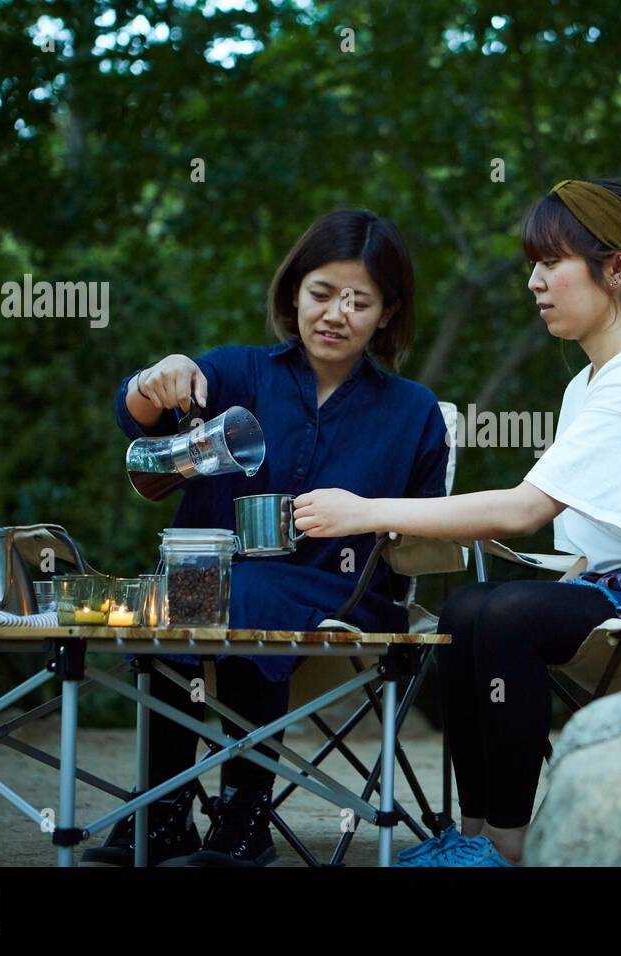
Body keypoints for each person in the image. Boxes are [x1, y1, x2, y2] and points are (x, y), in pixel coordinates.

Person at [294, 178, 621, 867]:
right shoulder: (586, 384)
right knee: (468, 608)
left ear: (615, 269)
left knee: (509, 617)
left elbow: (527, 509)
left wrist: (364, 511)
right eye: (533, 265)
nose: (534, 282)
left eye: (550, 263)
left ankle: (507, 843)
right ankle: (474, 837)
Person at [89, 208, 449, 867]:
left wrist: (365, 513)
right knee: (182, 590)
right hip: (205, 587)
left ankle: (245, 811)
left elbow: (428, 526)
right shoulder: (234, 374)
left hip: (345, 595)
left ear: (388, 314)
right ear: (292, 292)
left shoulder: (412, 411)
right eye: (321, 292)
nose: (336, 313)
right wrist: (153, 378)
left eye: (359, 300)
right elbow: (132, 419)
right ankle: (163, 807)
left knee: (240, 590)